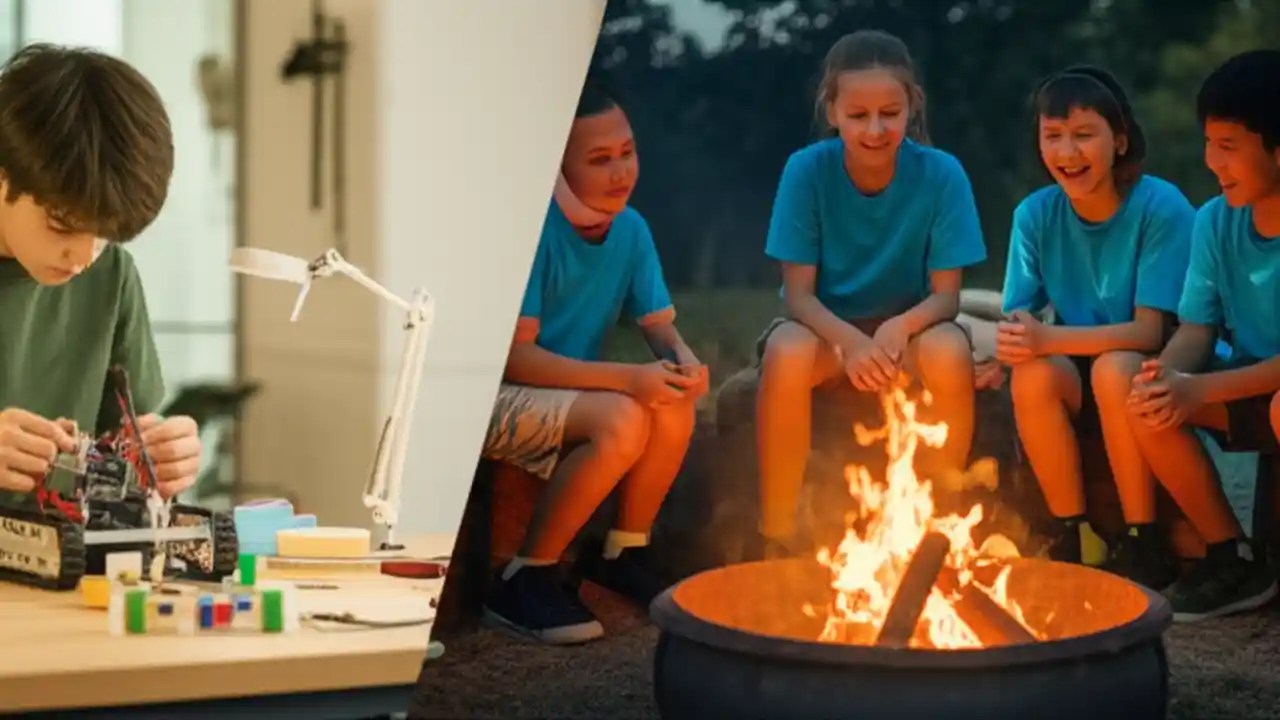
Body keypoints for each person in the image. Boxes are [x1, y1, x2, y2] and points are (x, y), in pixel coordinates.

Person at [479, 82, 709, 644]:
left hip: (567, 393)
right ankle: (523, 577)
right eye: (599, 159)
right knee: (624, 417)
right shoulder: (534, 229)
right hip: (494, 394)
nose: (620, 171)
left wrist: (682, 360)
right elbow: (515, 360)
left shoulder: (630, 229)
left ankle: (623, 552)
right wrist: (629, 379)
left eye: (627, 152)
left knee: (673, 401)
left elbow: (658, 326)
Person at [754, 29, 987, 560]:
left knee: (950, 349)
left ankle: (940, 526)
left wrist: (898, 328)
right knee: (785, 350)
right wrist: (850, 344)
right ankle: (776, 533)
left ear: (912, 107)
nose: (876, 129)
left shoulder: (942, 174)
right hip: (825, 333)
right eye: (858, 115)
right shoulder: (806, 171)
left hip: (907, 336)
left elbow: (946, 298)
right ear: (832, 111)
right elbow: (798, 297)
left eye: (890, 113)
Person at [995, 66, 1196, 590]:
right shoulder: (1034, 214)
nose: (1068, 152)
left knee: (1115, 368)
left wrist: (1046, 338)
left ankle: (1142, 538)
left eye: (1084, 135)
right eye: (1053, 136)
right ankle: (1072, 533)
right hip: (1077, 368)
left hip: (1156, 365)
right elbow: (1019, 317)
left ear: (1120, 140)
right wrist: (1008, 347)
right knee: (1033, 375)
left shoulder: (1161, 207)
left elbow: (1150, 332)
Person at [0, 44, 200, 509]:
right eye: (62, 226)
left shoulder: (111, 275)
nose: (83, 257)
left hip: (58, 548)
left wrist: (162, 459)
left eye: (106, 236)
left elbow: (127, 448)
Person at [1125, 48, 1280, 621]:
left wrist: (1200, 391)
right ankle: (1229, 555)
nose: (1213, 161)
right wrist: (1167, 376)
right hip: (1245, 385)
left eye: (1229, 146)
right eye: (1209, 143)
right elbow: (1197, 326)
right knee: (1145, 400)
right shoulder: (1216, 219)